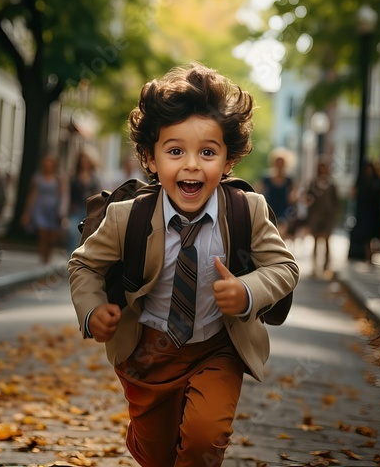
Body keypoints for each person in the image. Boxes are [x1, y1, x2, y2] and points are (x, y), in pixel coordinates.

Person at [67, 62, 299, 467]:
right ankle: (148, 440)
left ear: (228, 161)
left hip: (217, 348)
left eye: (207, 152)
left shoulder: (249, 210)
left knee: (204, 439)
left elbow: (285, 267)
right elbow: (83, 266)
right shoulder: (127, 217)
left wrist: (247, 291)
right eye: (175, 151)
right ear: (151, 159)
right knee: (156, 455)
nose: (192, 165)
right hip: (148, 353)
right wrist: (91, 312)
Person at [21, 153, 66, 264]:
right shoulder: (37, 178)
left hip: (53, 210)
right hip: (40, 208)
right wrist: (27, 212)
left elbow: (62, 194)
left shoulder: (58, 178)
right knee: (42, 233)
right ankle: (42, 257)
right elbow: (32, 194)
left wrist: (62, 211)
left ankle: (48, 256)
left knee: (50, 236)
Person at [303, 159, 340, 276]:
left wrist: (334, 214)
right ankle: (314, 267)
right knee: (315, 241)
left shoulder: (331, 184)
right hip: (316, 218)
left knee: (327, 241)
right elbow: (308, 199)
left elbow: (336, 201)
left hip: (327, 217)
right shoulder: (313, 184)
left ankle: (326, 266)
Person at [67, 146, 103, 254]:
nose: (84, 162)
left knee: (86, 234)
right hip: (76, 209)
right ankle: (71, 256)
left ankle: (81, 257)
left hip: (89, 211)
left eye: (86, 159)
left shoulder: (95, 178)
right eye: (82, 159)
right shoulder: (74, 176)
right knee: (72, 231)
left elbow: (98, 194)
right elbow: (68, 193)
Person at [350, 160, 380, 261]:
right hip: (364, 214)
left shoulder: (378, 181)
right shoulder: (362, 181)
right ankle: (367, 256)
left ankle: (371, 256)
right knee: (365, 236)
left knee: (373, 236)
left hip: (374, 213)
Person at [257, 147, 297, 239]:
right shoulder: (266, 177)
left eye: (281, 162)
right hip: (270, 208)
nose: (279, 165)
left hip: (284, 209)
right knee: (271, 232)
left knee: (281, 231)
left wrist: (293, 196)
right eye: (277, 162)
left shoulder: (289, 179)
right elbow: (256, 190)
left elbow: (295, 192)